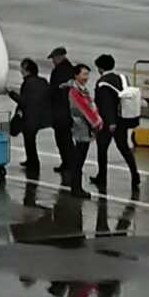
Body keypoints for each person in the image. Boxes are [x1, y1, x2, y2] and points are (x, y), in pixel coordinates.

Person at [91, 54, 138, 190]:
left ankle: (102, 177)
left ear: (100, 68)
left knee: (102, 149)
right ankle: (134, 173)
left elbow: (106, 104)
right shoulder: (121, 79)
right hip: (122, 118)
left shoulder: (103, 83)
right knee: (124, 147)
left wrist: (110, 122)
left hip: (108, 121)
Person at [61, 62, 101, 197]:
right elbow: (83, 109)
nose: (86, 77)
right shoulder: (75, 91)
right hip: (81, 128)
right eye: (84, 74)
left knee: (79, 159)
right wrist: (96, 122)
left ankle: (76, 186)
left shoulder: (81, 89)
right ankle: (76, 188)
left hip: (85, 128)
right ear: (76, 75)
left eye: (87, 74)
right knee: (78, 160)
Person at [11, 58, 50, 174]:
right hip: (40, 116)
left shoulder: (27, 83)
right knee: (30, 139)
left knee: (29, 140)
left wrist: (11, 94)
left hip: (29, 116)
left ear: (27, 70)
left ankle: (33, 162)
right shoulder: (42, 81)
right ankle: (32, 160)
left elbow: (24, 101)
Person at [48, 47, 80, 188]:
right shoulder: (72, 70)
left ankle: (68, 163)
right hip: (71, 110)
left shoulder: (58, 72)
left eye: (54, 59)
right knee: (67, 138)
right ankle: (68, 162)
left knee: (62, 139)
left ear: (60, 57)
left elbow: (53, 90)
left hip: (60, 110)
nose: (53, 62)